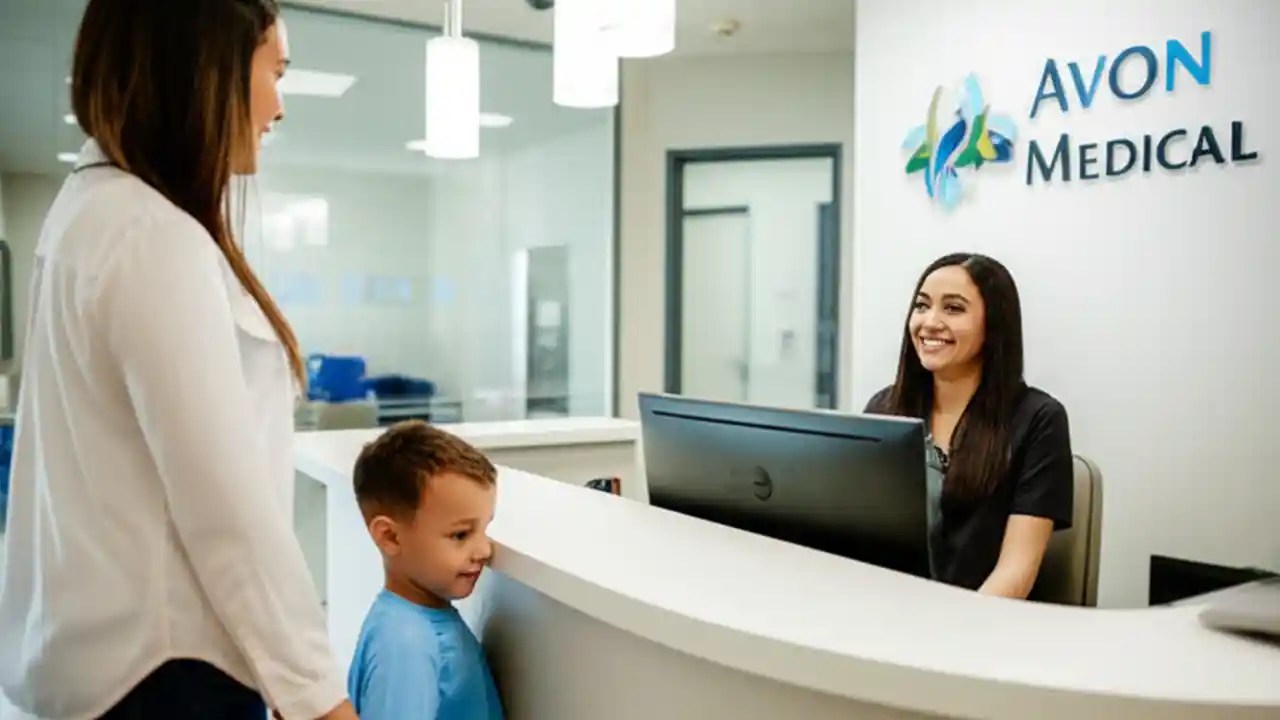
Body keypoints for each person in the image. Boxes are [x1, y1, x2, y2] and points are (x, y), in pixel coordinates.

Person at [0, 1, 357, 718]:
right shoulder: (150, 235)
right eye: (273, 74)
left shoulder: (91, 211)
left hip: (114, 666)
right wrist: (320, 698)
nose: (278, 107)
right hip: (170, 672)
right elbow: (227, 509)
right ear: (205, 70)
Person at [865, 253, 1072, 599]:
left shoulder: (1039, 419)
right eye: (921, 306)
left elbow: (1016, 572)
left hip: (980, 629)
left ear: (993, 326)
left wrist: (952, 634)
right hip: (892, 615)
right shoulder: (885, 409)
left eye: (953, 309)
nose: (929, 322)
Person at [348, 421, 504, 720]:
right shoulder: (407, 645)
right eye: (461, 535)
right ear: (390, 537)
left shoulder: (414, 622)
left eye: (485, 529)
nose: (484, 551)